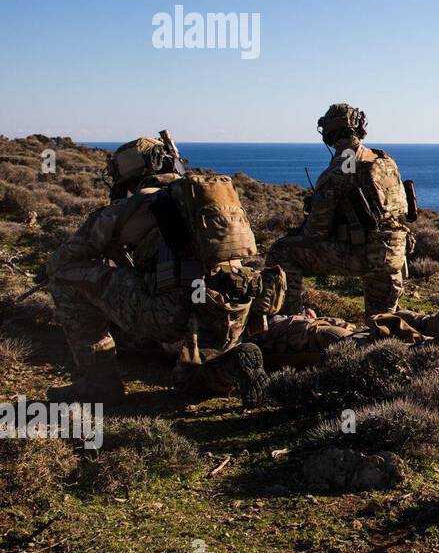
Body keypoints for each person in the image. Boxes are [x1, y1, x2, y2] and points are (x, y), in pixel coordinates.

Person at [46, 139, 272, 405]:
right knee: (189, 383)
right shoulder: (208, 204)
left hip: (171, 313)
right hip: (229, 307)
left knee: (66, 278)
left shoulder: (127, 208)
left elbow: (60, 261)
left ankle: (100, 384)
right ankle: (233, 363)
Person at [266, 104, 411, 318]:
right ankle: (433, 327)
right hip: (395, 254)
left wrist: (297, 232)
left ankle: (290, 321)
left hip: (364, 254)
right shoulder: (382, 159)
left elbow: (316, 231)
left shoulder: (345, 164)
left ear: (329, 132)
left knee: (282, 251)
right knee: (383, 323)